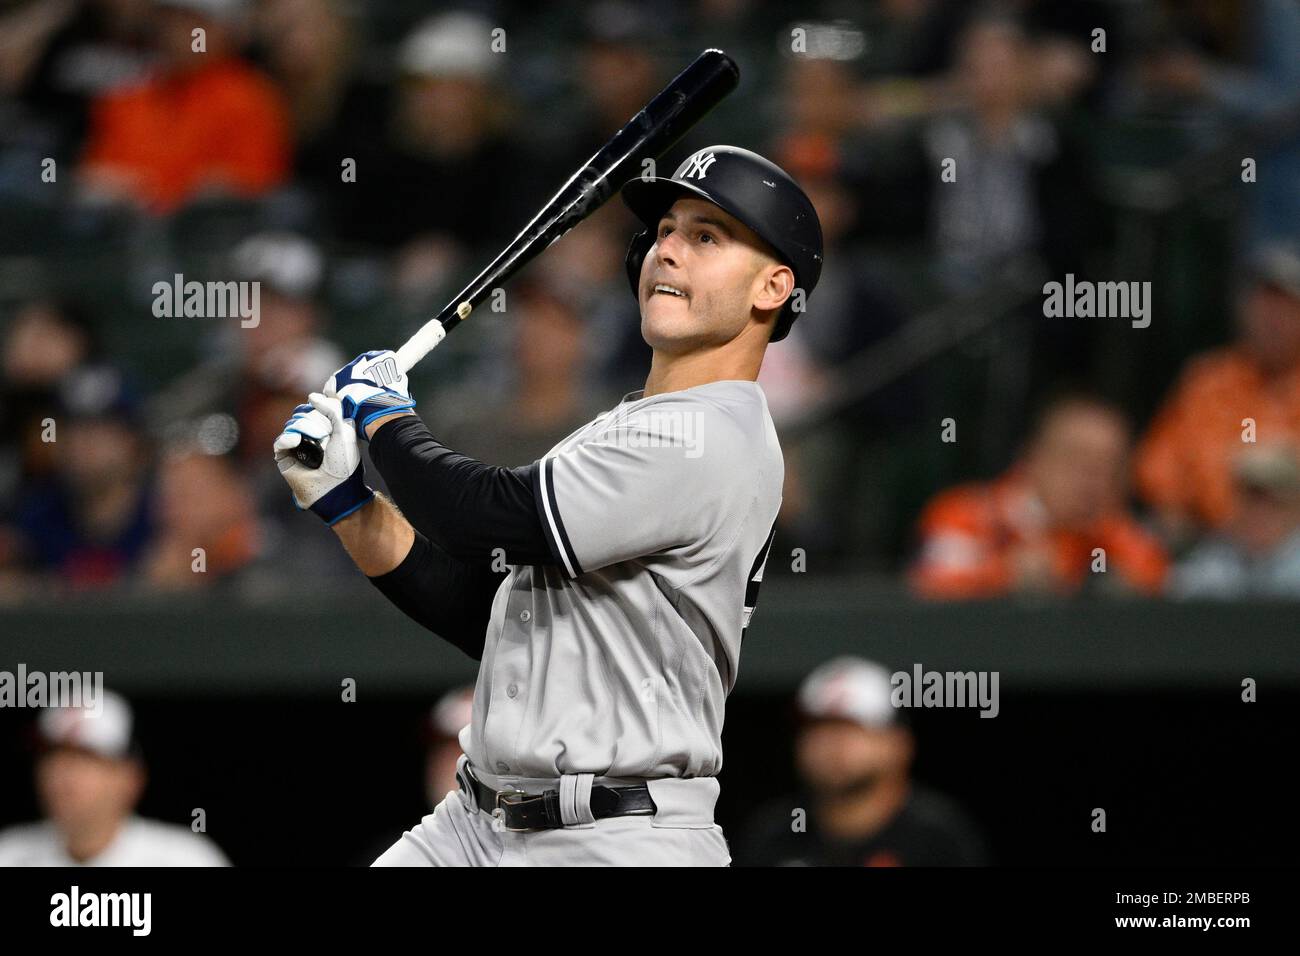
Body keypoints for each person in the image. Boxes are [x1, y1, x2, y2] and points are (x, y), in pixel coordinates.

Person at [273, 145, 823, 866]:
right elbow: (487, 615)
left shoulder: (710, 433)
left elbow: (492, 517)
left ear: (773, 287)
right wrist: (350, 504)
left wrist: (385, 418)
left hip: (615, 836)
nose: (668, 249)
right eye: (664, 231)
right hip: (476, 820)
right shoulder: (631, 422)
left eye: (706, 236)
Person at [735, 657, 988, 867]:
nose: (832, 743)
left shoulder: (938, 840)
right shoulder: (774, 835)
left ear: (898, 744)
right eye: (818, 727)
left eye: (852, 728)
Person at [911, 393, 1168, 599]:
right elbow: (932, 583)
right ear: (1032, 458)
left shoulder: (1109, 532)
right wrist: (1006, 575)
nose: (1094, 480)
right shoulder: (966, 512)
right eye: (1076, 459)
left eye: (1110, 466)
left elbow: (1156, 576)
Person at [1135, 241, 1300, 543]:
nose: (1273, 319)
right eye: (1264, 303)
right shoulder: (1207, 380)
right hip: (1208, 544)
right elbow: (1158, 472)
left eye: (1287, 306)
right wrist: (1176, 513)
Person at [0, 690, 230, 866]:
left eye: (85, 758)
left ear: (130, 778)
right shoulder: (8, 854)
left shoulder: (185, 859)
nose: (63, 775)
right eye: (52, 756)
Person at [1170, 444, 1300, 599]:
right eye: (1251, 501)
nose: (1259, 514)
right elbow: (1177, 594)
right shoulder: (1215, 561)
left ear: (1294, 507)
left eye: (1273, 502)